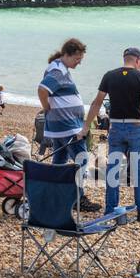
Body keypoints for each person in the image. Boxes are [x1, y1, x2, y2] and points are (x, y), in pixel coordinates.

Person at [85, 47, 140, 221]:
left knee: (113, 170)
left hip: (116, 127)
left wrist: (86, 126)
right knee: (139, 170)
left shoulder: (110, 75)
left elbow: (97, 103)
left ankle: (110, 210)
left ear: (125, 58)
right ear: (138, 61)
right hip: (137, 127)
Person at [38, 38, 100, 211]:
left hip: (60, 126)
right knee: (81, 159)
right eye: (77, 59)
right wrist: (46, 107)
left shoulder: (59, 67)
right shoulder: (58, 70)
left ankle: (54, 194)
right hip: (67, 125)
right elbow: (42, 89)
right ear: (67, 54)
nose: (79, 63)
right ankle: (77, 198)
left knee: (60, 161)